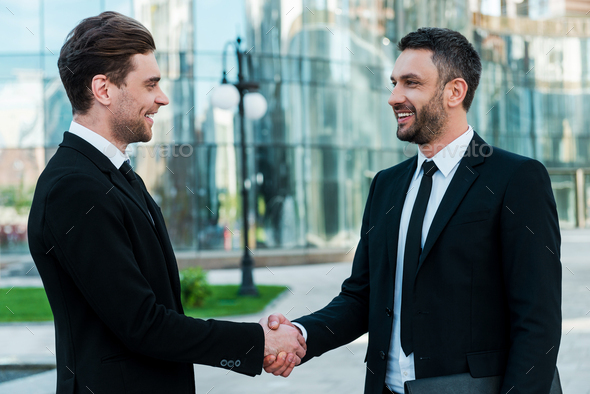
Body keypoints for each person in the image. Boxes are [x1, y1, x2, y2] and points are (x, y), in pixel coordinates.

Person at [262, 27, 561, 394]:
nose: (394, 97)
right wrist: (301, 334)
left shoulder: (516, 178)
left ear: (455, 92)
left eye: (411, 83)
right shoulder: (386, 185)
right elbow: (362, 296)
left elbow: (537, 322)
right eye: (393, 83)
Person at [27, 11, 304, 394]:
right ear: (104, 90)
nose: (163, 98)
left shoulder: (110, 173)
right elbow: (143, 324)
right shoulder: (75, 187)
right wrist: (258, 344)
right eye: (151, 84)